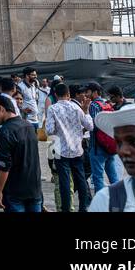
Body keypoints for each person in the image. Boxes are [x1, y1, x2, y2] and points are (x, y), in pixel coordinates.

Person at [0, 94, 42, 212]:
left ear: (1, 109)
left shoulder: (5, 131)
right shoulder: (28, 126)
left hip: (15, 192)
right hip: (34, 189)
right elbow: (24, 152)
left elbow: (4, 167)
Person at [46, 82, 93, 211]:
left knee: (64, 182)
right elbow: (90, 126)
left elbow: (49, 131)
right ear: (68, 94)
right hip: (77, 149)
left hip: (61, 150)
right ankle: (83, 208)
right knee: (81, 179)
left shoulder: (53, 109)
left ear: (55, 95)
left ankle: (66, 209)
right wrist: (86, 111)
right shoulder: (76, 108)